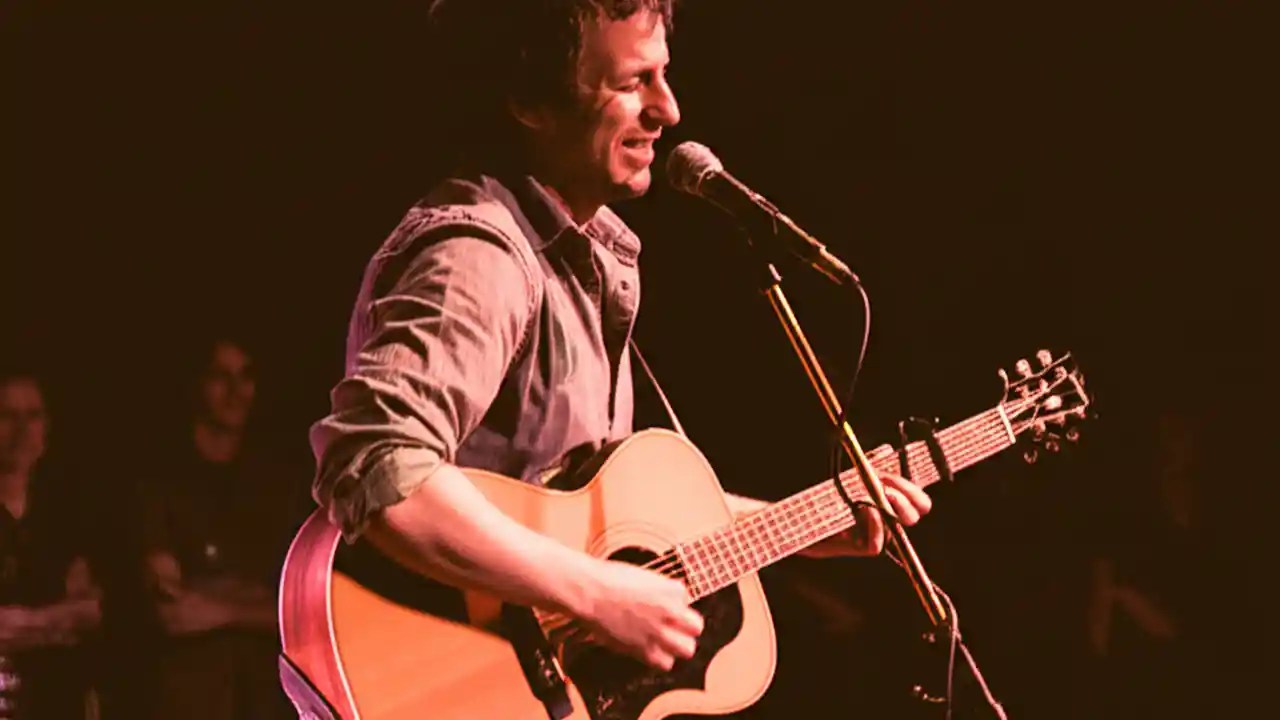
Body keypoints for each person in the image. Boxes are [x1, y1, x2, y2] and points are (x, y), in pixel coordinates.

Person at [308, 0, 933, 680]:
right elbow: (379, 466)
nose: (669, 109)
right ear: (532, 100)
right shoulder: (479, 255)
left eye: (664, 76)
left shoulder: (581, 263)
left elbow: (591, 517)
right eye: (633, 82)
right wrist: (596, 594)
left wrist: (805, 525)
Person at [135, 337, 299, 719]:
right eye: (220, 377)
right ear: (196, 384)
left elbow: (301, 607)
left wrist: (218, 604)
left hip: (268, 696)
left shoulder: (278, 482)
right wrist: (254, 597)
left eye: (245, 377)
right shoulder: (160, 482)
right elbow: (173, 611)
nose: (235, 392)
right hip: (189, 698)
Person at [0, 368, 101, 719]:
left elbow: (90, 612)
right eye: (8, 416)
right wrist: (54, 623)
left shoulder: (65, 516)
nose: (22, 431)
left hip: (57, 700)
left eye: (33, 416)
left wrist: (24, 623)